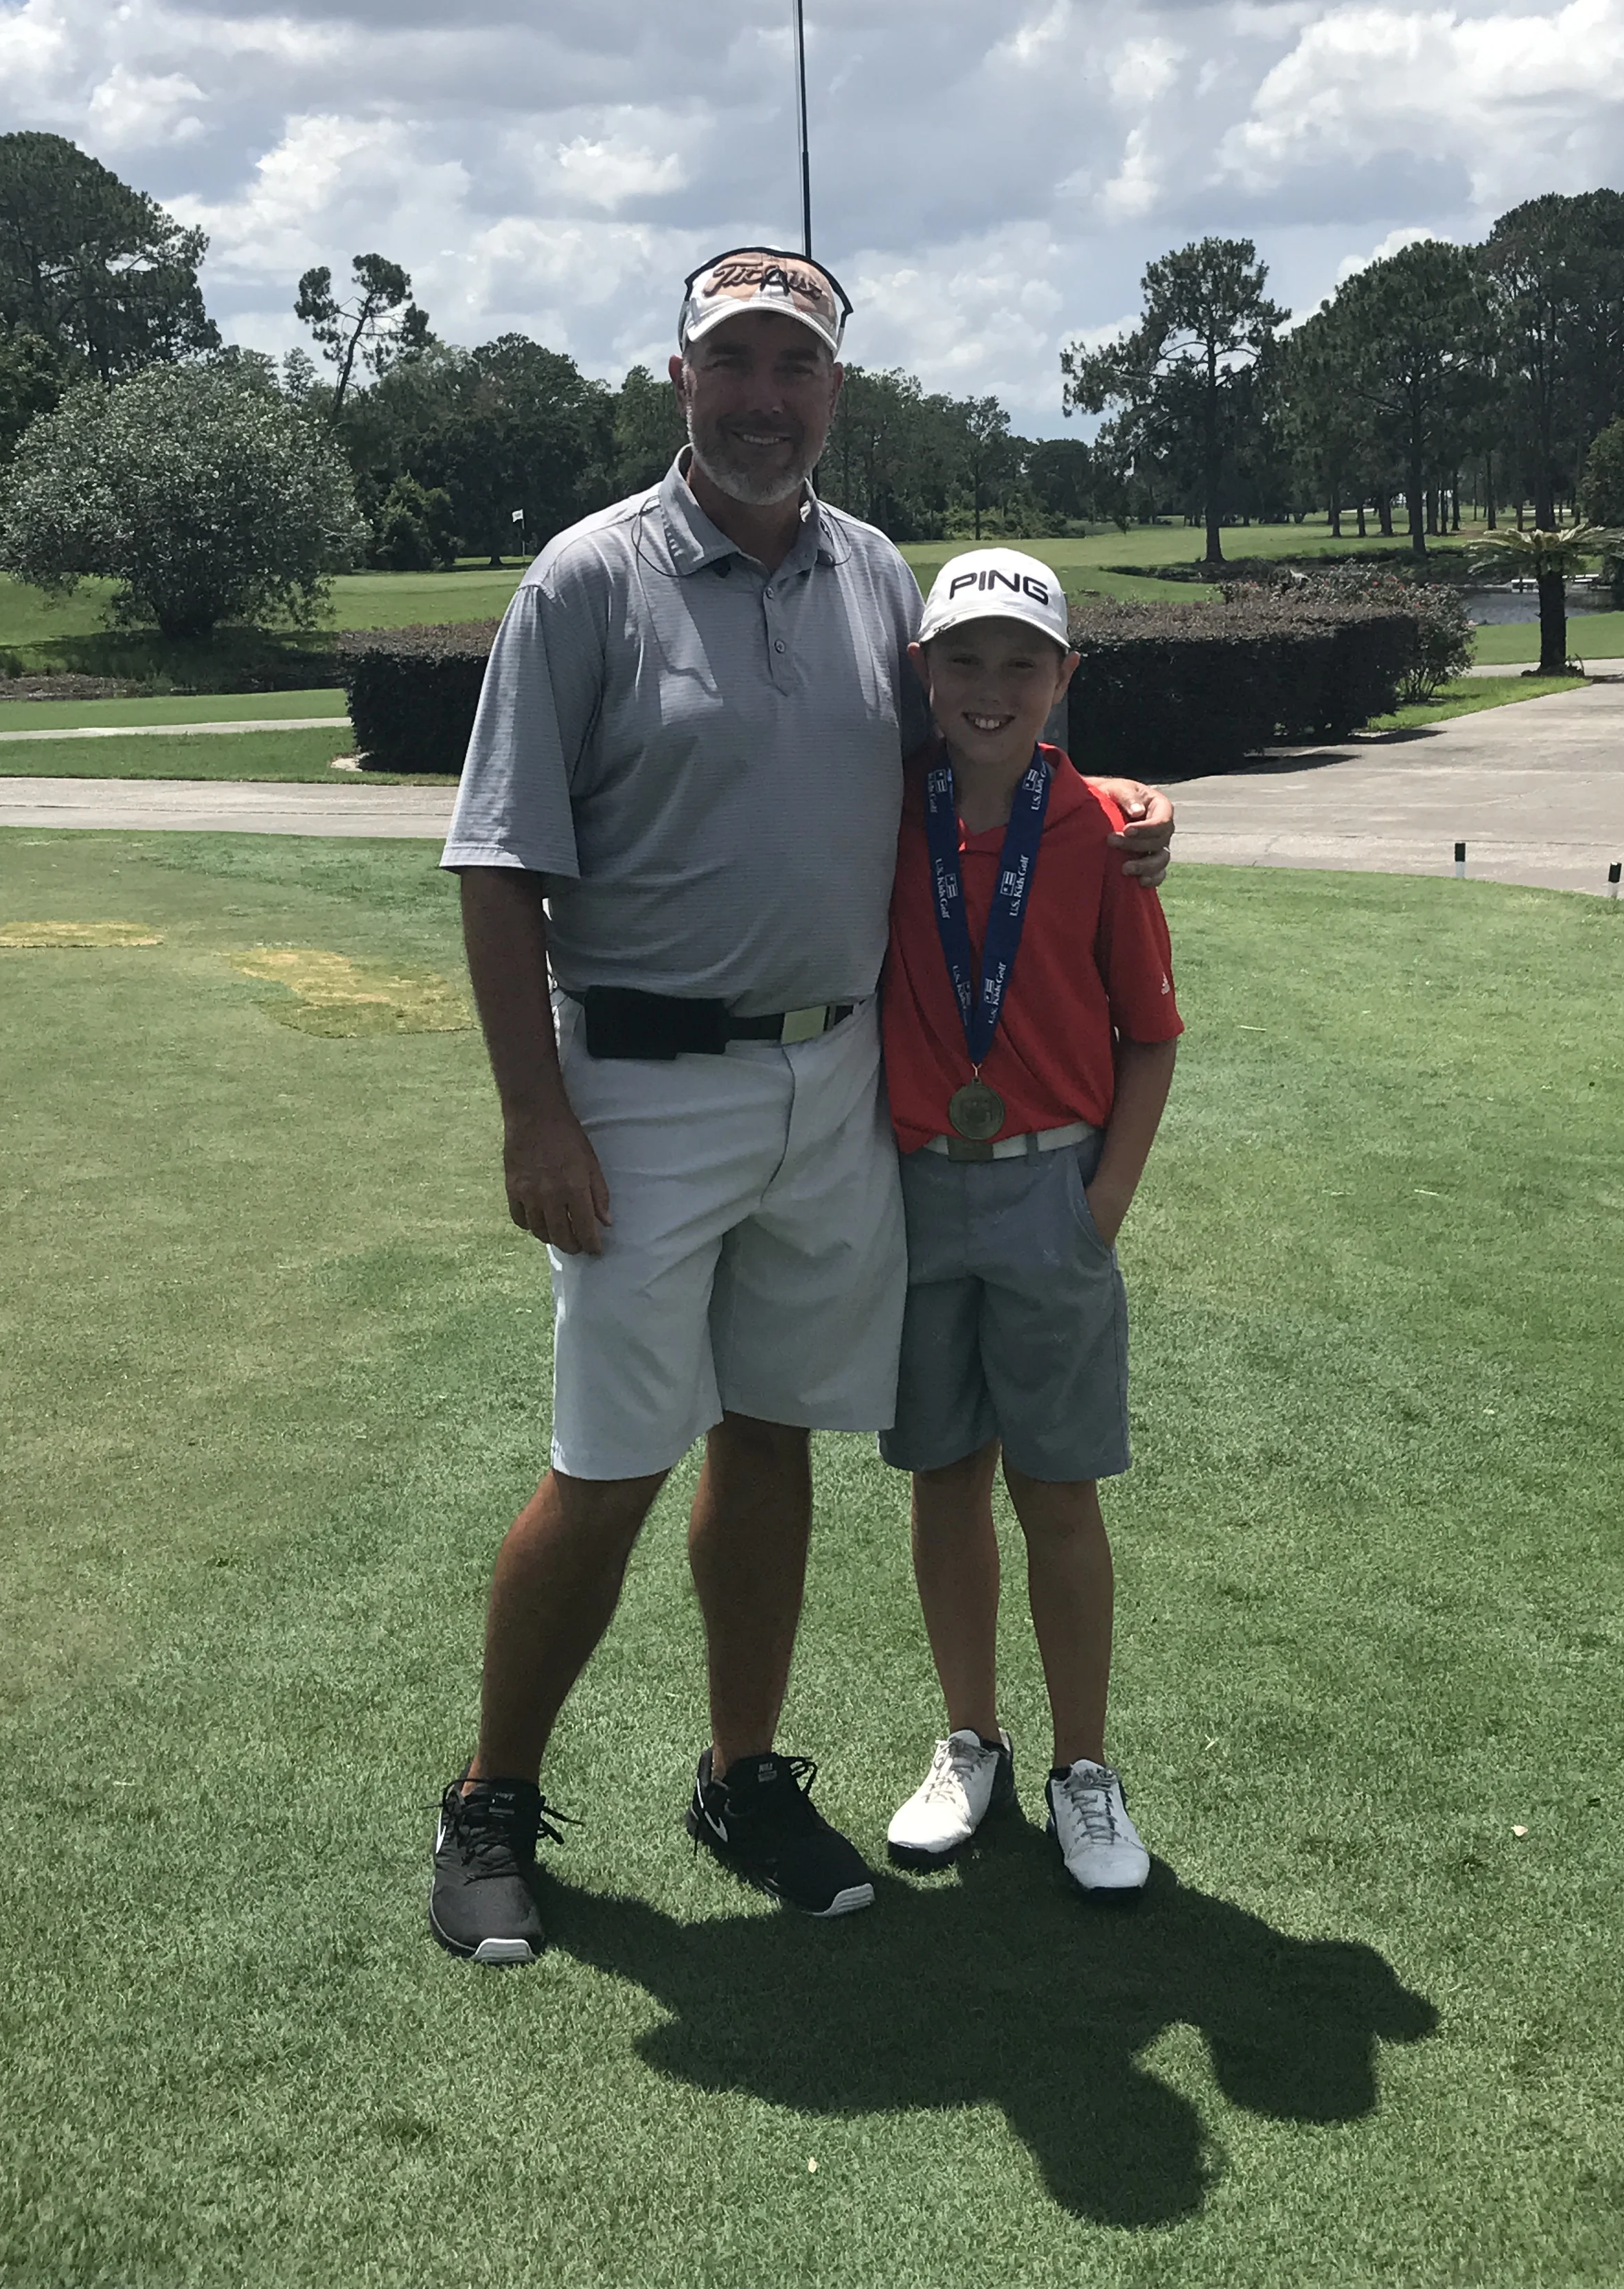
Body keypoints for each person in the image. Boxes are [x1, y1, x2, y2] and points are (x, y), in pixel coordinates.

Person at [429, 247, 1175, 1965]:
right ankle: (489, 1799)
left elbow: (970, 757)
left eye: (799, 366)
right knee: (609, 1461)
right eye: (735, 360)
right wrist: (533, 1114)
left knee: (771, 1437)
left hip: (835, 1081)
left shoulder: (871, 577)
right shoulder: (589, 579)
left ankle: (741, 1770)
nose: (767, 393)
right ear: (680, 378)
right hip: (636, 1082)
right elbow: (496, 865)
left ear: (836, 391)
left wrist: (1115, 794)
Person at [877, 548, 1180, 1897]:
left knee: (1056, 1488)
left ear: (1066, 678)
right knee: (946, 1477)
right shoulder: (883, 813)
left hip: (1054, 1188)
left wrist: (1101, 1205)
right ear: (920, 673)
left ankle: (1084, 1769)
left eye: (1021, 663)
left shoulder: (1104, 833)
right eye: (964, 660)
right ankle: (970, 1740)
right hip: (913, 1192)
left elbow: (1152, 1039)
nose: (990, 688)